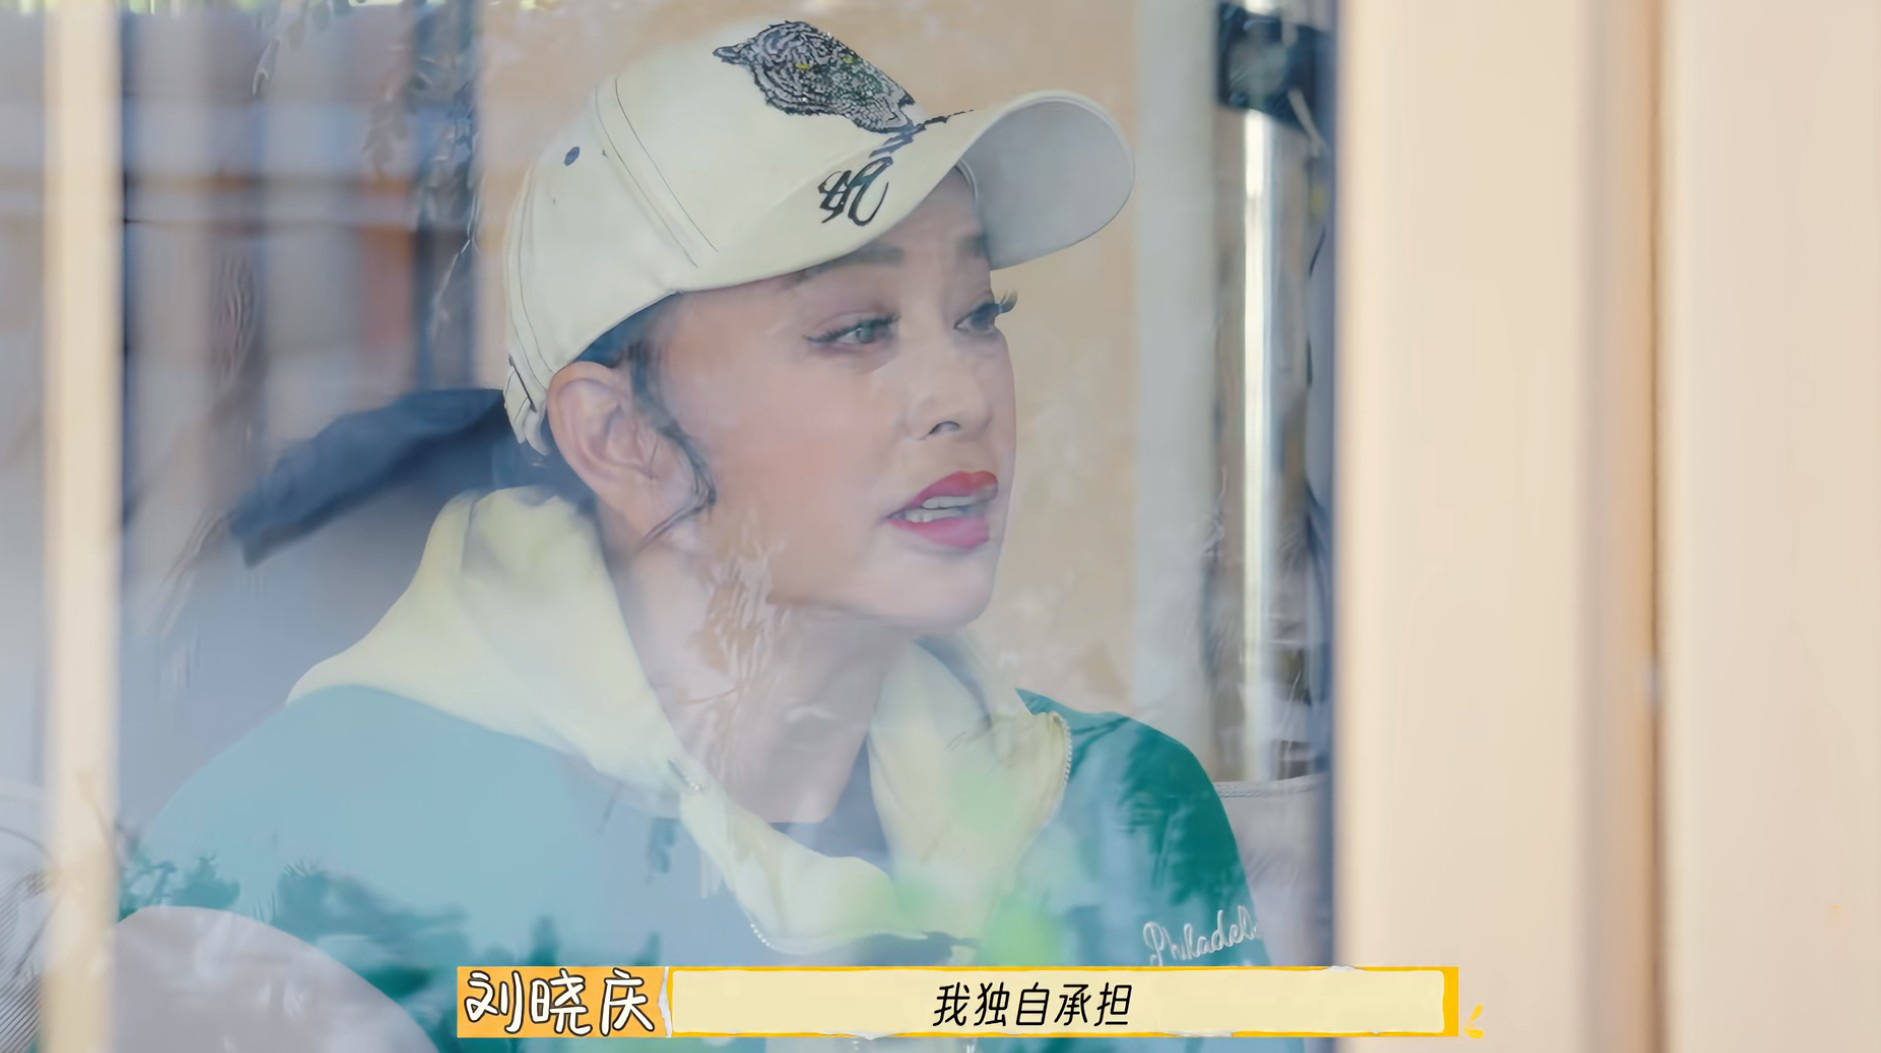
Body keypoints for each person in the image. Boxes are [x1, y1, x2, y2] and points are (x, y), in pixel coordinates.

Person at [113, 17, 1295, 1053]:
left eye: (980, 312)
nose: (962, 394)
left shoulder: (1117, 815)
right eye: (856, 328)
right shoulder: (307, 856)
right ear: (622, 437)